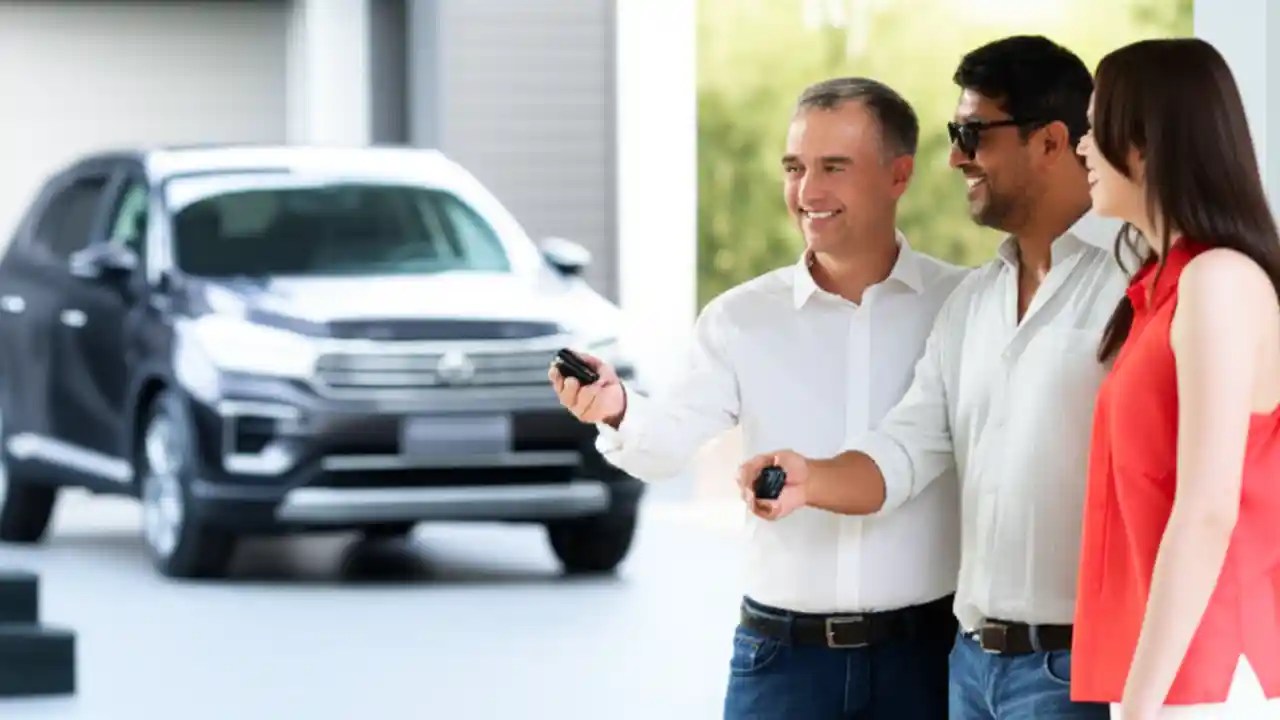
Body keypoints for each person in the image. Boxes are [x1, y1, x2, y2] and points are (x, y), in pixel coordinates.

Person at [550, 77, 967, 719]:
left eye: (834, 167)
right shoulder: (741, 318)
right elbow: (666, 446)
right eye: (795, 167)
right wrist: (617, 408)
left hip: (928, 660)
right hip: (782, 665)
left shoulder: (961, 306)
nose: (808, 192)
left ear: (899, 174)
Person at [737, 36, 1124, 719]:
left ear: (1052, 142)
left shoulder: (1137, 282)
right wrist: (810, 478)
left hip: (1086, 673)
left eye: (972, 132)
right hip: (971, 671)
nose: (955, 157)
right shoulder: (971, 304)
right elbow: (910, 447)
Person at [1070, 38, 1280, 720]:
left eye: (1095, 125)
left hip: (1210, 672)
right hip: (1166, 673)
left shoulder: (1218, 281)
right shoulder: (1161, 290)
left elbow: (1208, 508)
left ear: (1145, 144)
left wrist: (1138, 708)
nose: (1081, 148)